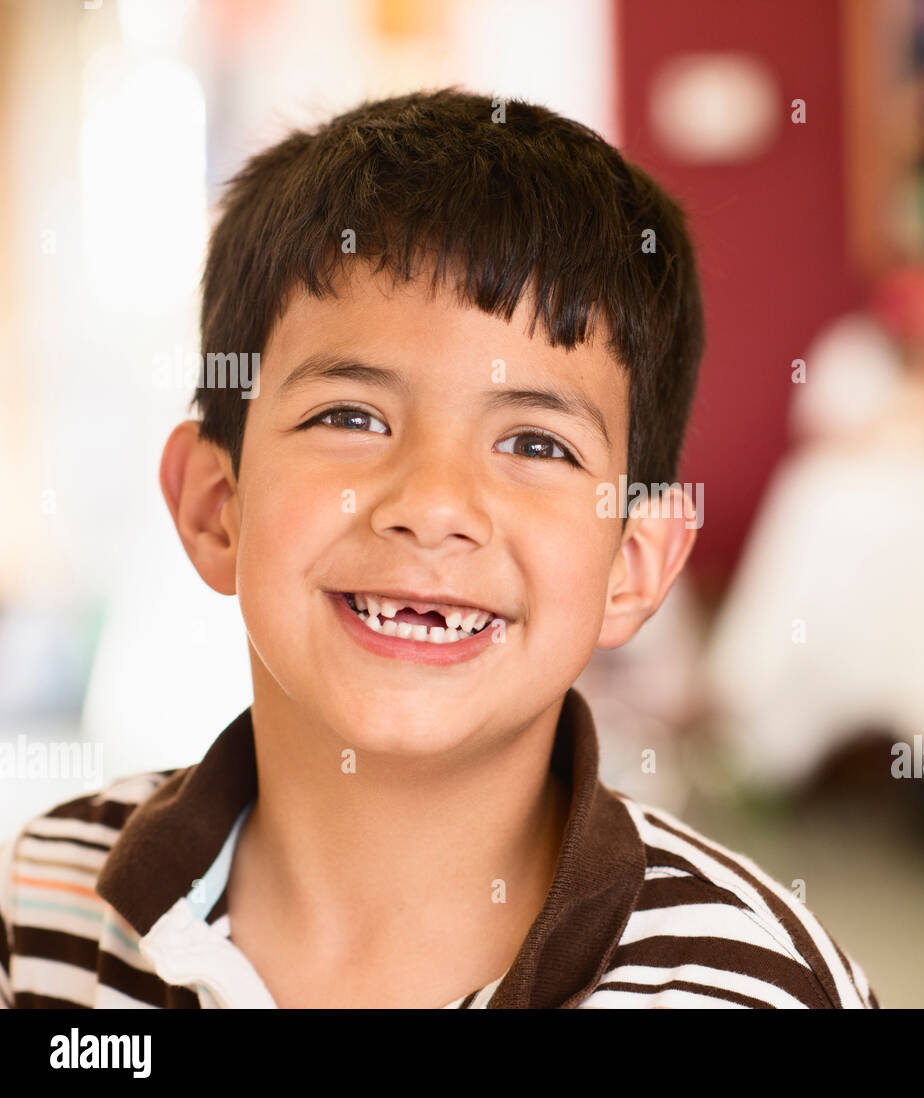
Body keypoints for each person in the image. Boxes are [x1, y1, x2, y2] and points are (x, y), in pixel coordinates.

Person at [0, 90, 875, 1009]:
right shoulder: (51, 905)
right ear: (217, 508)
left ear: (634, 563)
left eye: (538, 445)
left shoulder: (750, 985)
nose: (432, 506)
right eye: (350, 416)